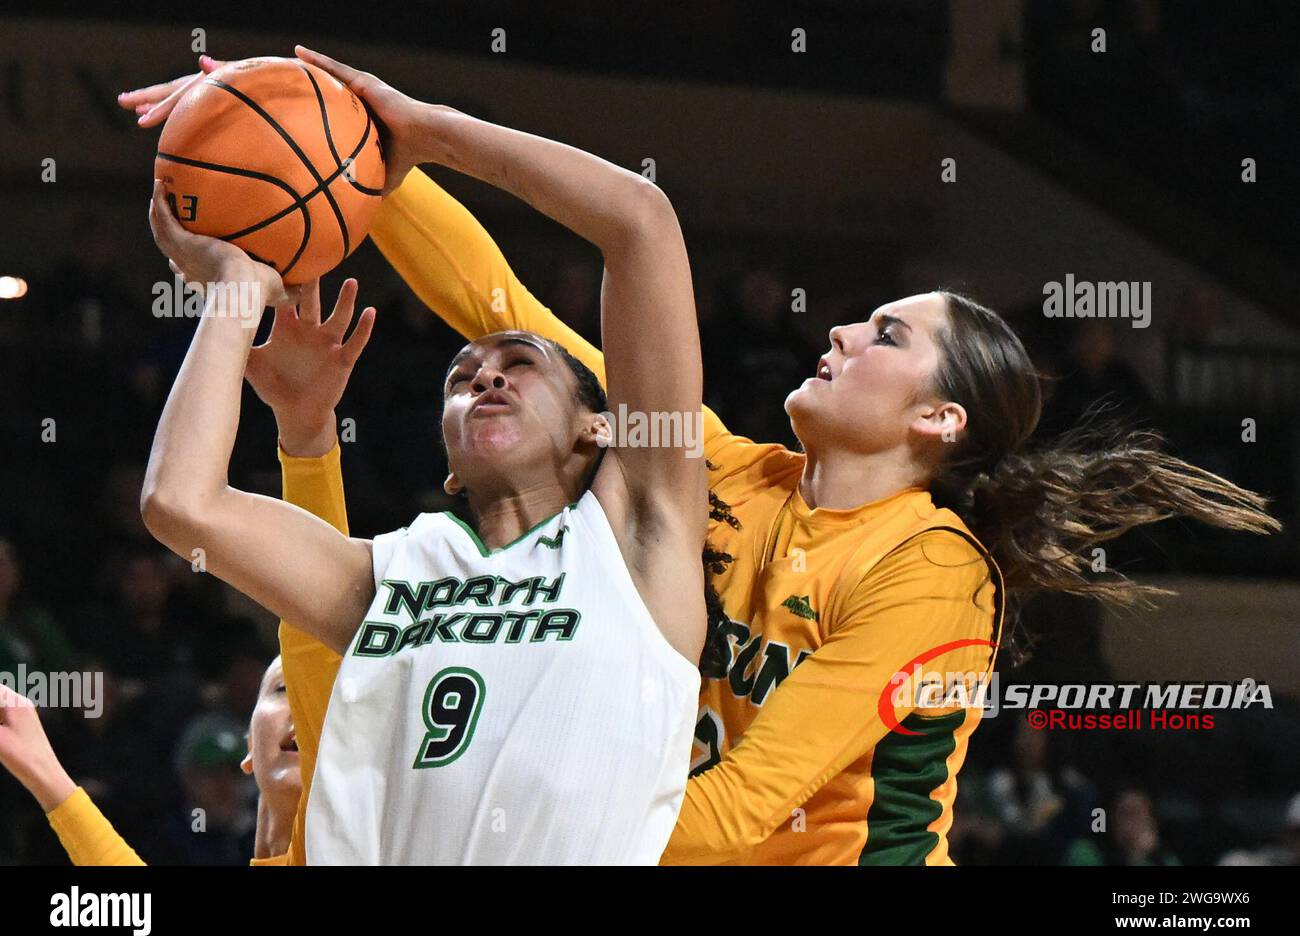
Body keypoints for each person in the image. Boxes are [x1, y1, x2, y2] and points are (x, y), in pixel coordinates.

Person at [124, 52, 1280, 867]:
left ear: (941, 421)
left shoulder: (933, 571)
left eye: (886, 334)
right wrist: (331, 134)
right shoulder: (701, 465)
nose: (838, 331)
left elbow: (747, 811)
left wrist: (521, 834)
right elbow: (500, 305)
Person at [136, 49, 707, 865]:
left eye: (520, 367)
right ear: (448, 463)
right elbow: (180, 505)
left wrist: (428, 133)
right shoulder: (393, 574)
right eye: (462, 379)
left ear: (596, 429)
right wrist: (233, 296)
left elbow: (640, 221)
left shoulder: (639, 538)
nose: (485, 381)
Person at [0, 657, 301, 865]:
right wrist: (41, 772)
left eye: (319, 699)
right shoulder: (173, 837)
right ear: (249, 745)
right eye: (284, 688)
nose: (302, 710)